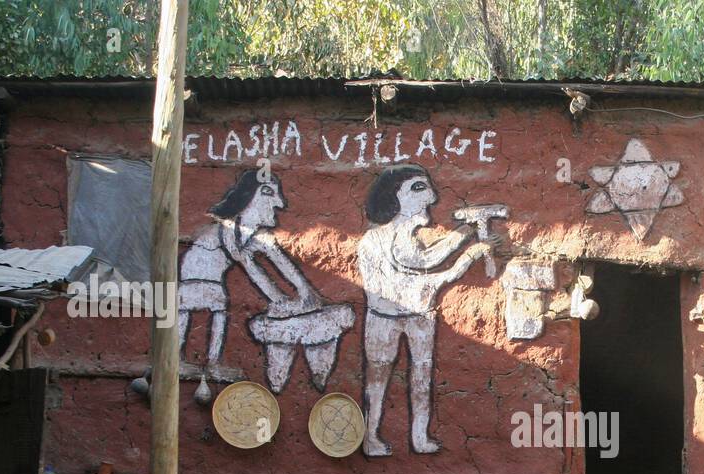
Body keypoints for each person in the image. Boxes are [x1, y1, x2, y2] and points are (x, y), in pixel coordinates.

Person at [356, 164, 496, 456]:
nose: (430, 198)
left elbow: (426, 263)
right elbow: (423, 262)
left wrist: (465, 236)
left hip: (418, 315)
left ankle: (419, 437)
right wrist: (468, 244)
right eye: (417, 188)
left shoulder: (403, 235)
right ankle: (371, 436)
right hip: (384, 319)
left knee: (421, 377)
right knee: (378, 380)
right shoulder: (379, 239)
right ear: (395, 197)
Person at [178, 170, 322, 368]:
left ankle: (212, 362)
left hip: (212, 278)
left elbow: (280, 260)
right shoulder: (229, 229)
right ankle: (189, 359)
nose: (279, 203)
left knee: (218, 309)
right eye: (271, 194)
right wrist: (280, 301)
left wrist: (305, 292)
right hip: (195, 275)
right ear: (255, 197)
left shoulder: (256, 234)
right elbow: (250, 268)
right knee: (207, 306)